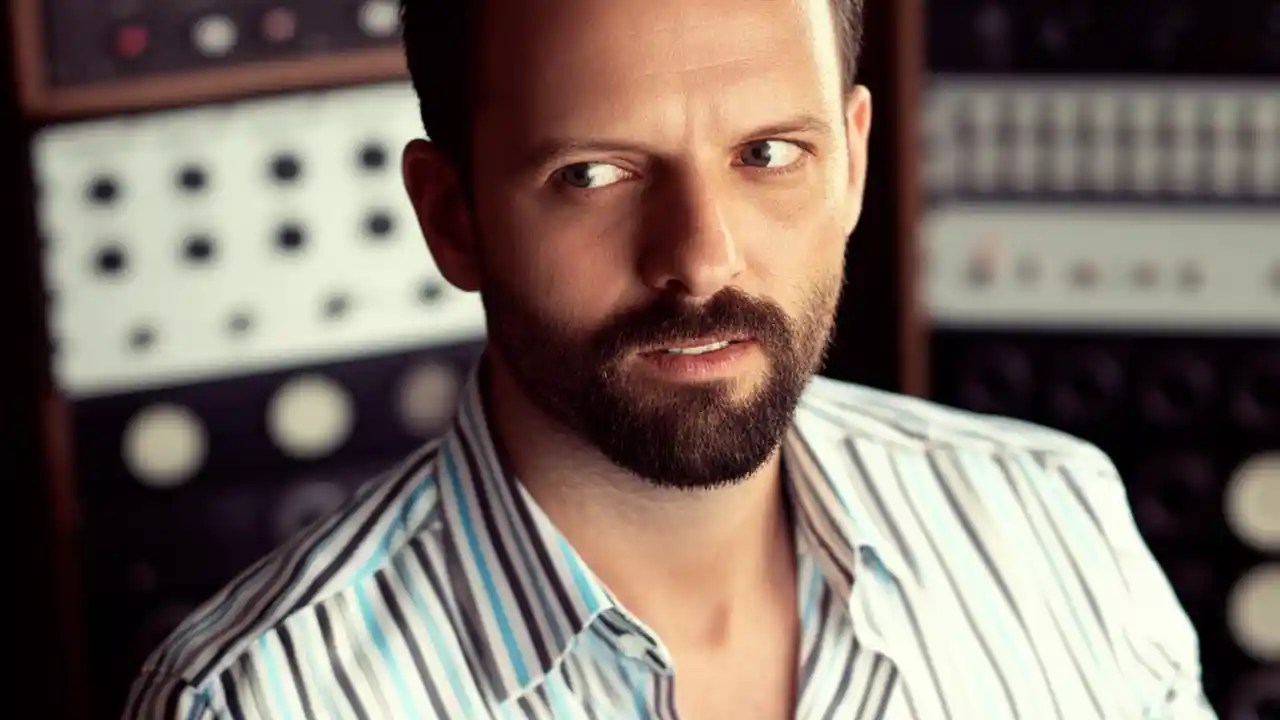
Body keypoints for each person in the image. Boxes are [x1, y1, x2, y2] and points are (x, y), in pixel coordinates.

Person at [124, 0, 1217, 717]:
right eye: (593, 175)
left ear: (850, 165)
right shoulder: (255, 701)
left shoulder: (1056, 522)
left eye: (769, 153)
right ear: (451, 217)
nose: (699, 258)